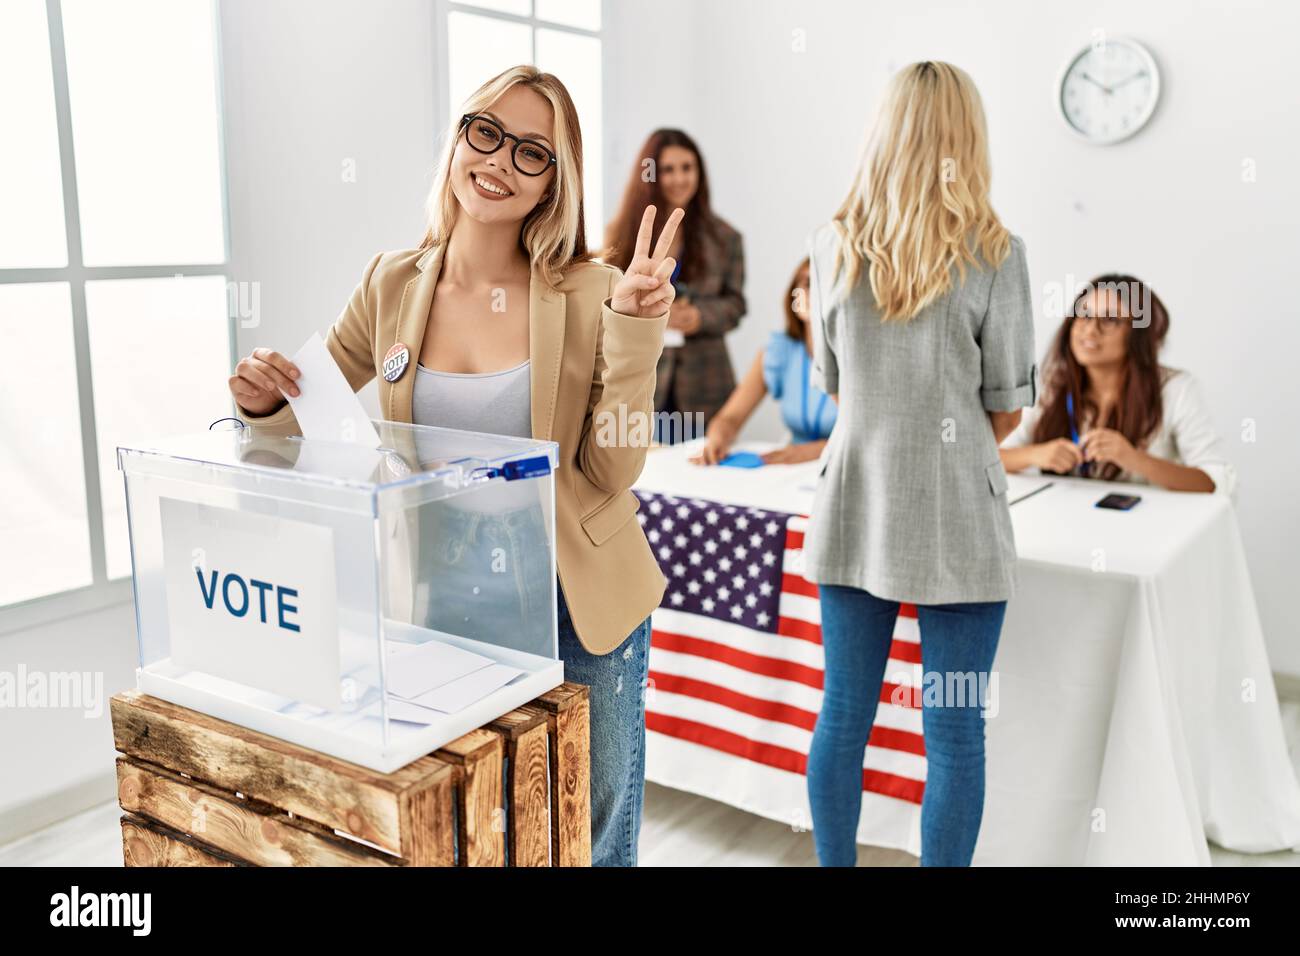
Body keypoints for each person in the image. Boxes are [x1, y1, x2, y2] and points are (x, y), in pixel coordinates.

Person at [227, 65, 684, 867]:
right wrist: (263, 402)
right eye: (487, 132)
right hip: (445, 602)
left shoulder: (591, 290)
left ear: (553, 182)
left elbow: (613, 471)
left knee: (592, 829)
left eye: (532, 152)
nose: (501, 160)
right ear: (460, 138)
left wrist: (636, 330)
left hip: (577, 602)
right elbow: (309, 409)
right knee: (482, 827)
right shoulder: (391, 282)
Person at [802, 62, 1037, 867]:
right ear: (966, 139)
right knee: (954, 732)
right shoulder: (997, 253)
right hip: (960, 521)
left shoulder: (829, 247)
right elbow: (1007, 405)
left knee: (843, 715)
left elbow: (835, 385)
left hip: (854, 504)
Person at [999, 275, 1235, 495]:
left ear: (1139, 333)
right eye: (1084, 315)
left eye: (1110, 319)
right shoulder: (1051, 385)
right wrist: (1035, 455)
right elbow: (990, 458)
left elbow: (1212, 482)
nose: (1091, 329)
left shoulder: (1177, 389)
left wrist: (1134, 459)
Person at [605, 129, 746, 443]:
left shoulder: (725, 238)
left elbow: (736, 305)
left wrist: (697, 316)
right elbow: (604, 303)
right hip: (643, 377)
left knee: (698, 472)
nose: (679, 178)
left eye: (687, 168)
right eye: (667, 169)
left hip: (704, 384)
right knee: (640, 471)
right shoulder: (619, 236)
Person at [690, 257, 837, 465]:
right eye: (807, 283)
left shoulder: (860, 359)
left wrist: (816, 451)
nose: (815, 292)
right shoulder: (778, 352)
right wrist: (718, 438)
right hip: (789, 469)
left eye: (826, 282)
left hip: (843, 468)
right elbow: (730, 418)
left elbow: (872, 436)